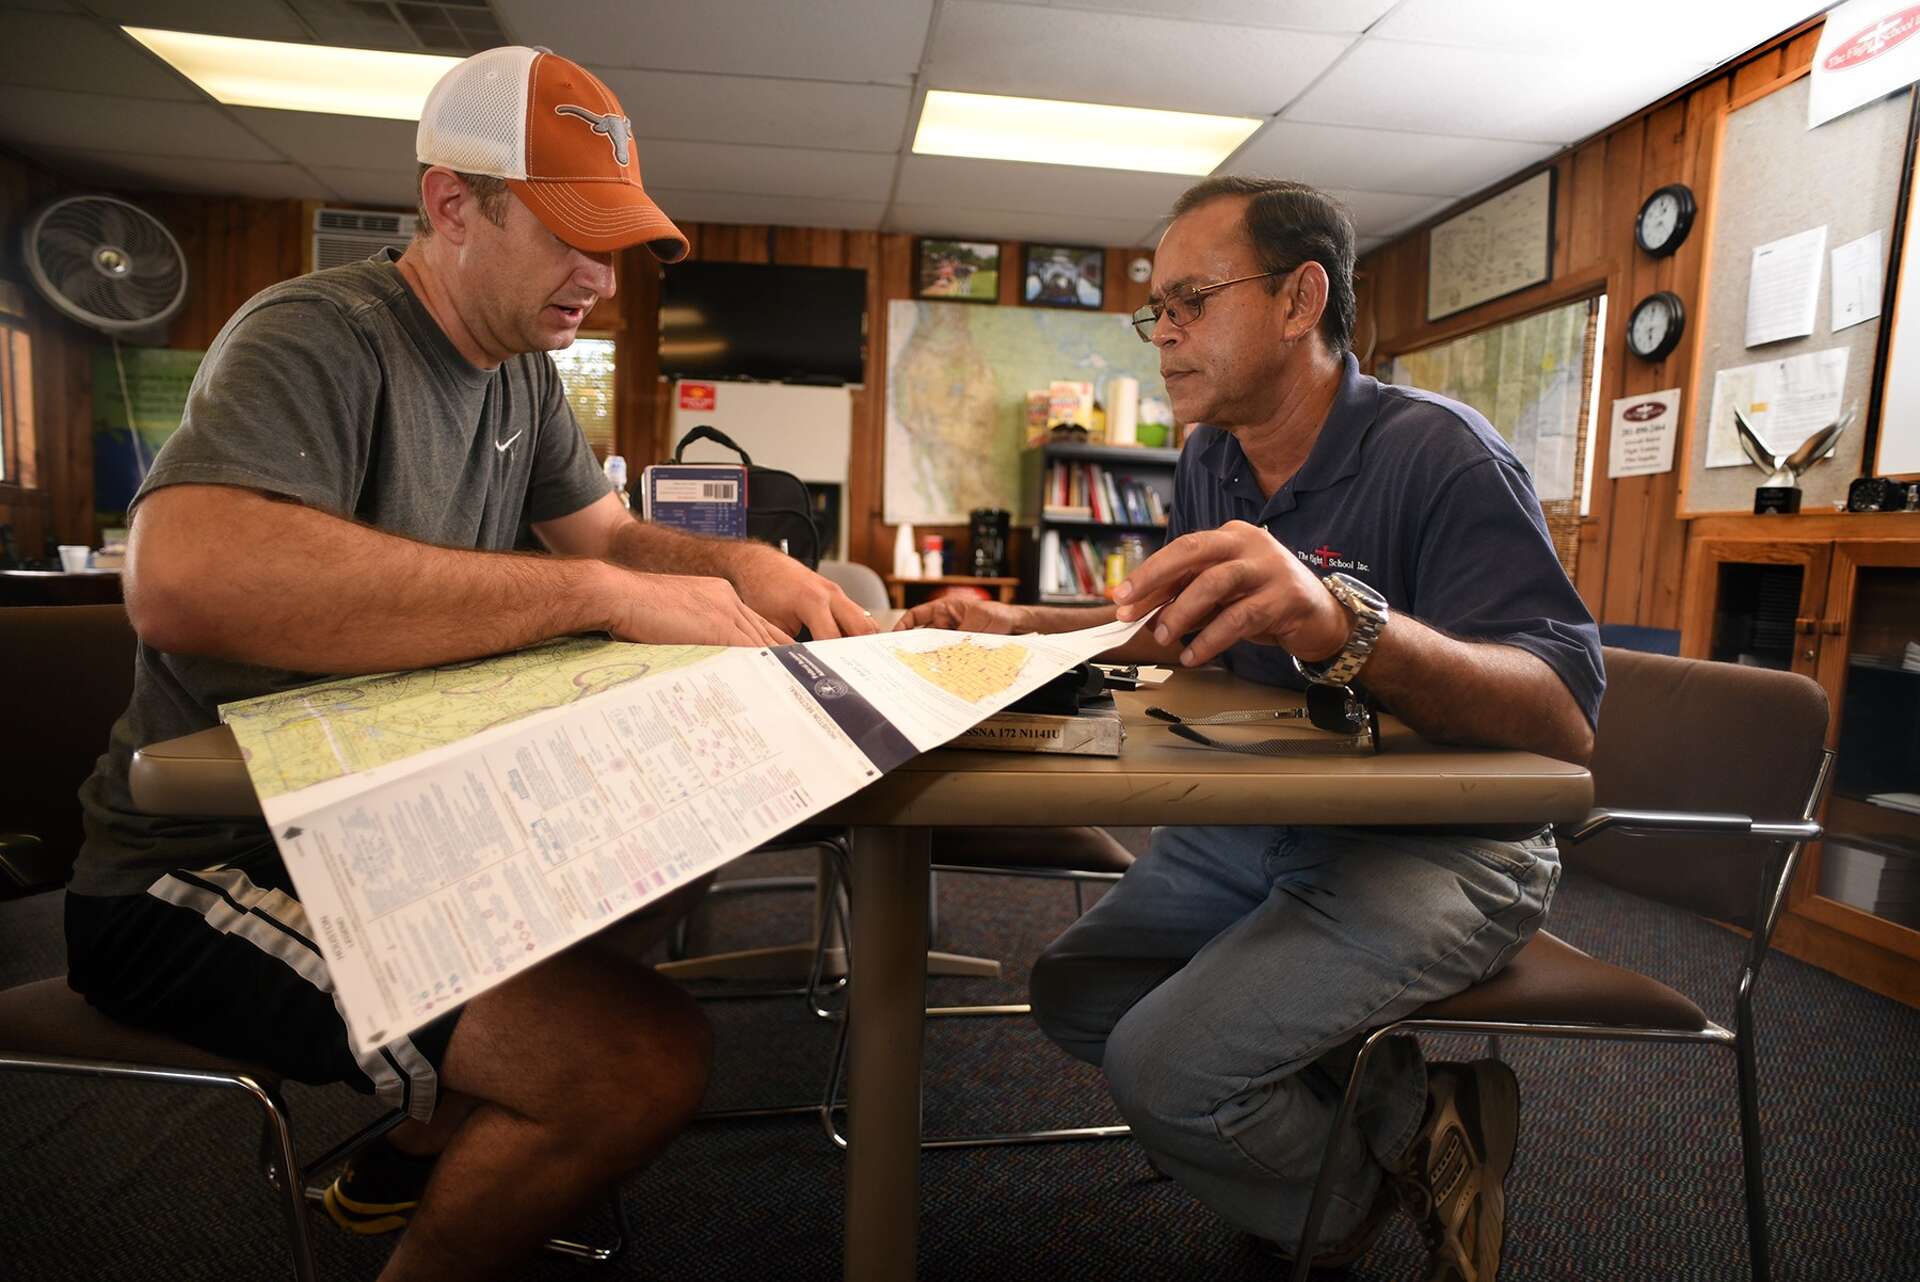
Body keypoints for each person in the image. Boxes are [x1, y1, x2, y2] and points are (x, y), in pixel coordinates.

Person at [64, 46, 874, 1282]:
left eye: (613, 248)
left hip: (374, 821)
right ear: (453, 204)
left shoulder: (523, 376)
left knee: (648, 855)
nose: (598, 280)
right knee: (635, 1065)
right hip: (204, 868)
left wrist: (731, 567)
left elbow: (605, 532)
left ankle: (404, 1161)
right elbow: (185, 577)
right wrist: (601, 596)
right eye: (569, 238)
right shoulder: (317, 334)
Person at [895, 176, 1603, 1279]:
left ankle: (1341, 1209)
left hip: (1448, 846)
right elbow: (1175, 630)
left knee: (1163, 1071)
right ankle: (1411, 1116)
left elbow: (1563, 720)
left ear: (1298, 299)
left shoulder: (1443, 456)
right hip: (1279, 812)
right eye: (1156, 313)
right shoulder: (1214, 455)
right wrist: (1010, 624)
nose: (1163, 336)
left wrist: (1345, 624)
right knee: (1075, 993)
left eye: (1189, 302)